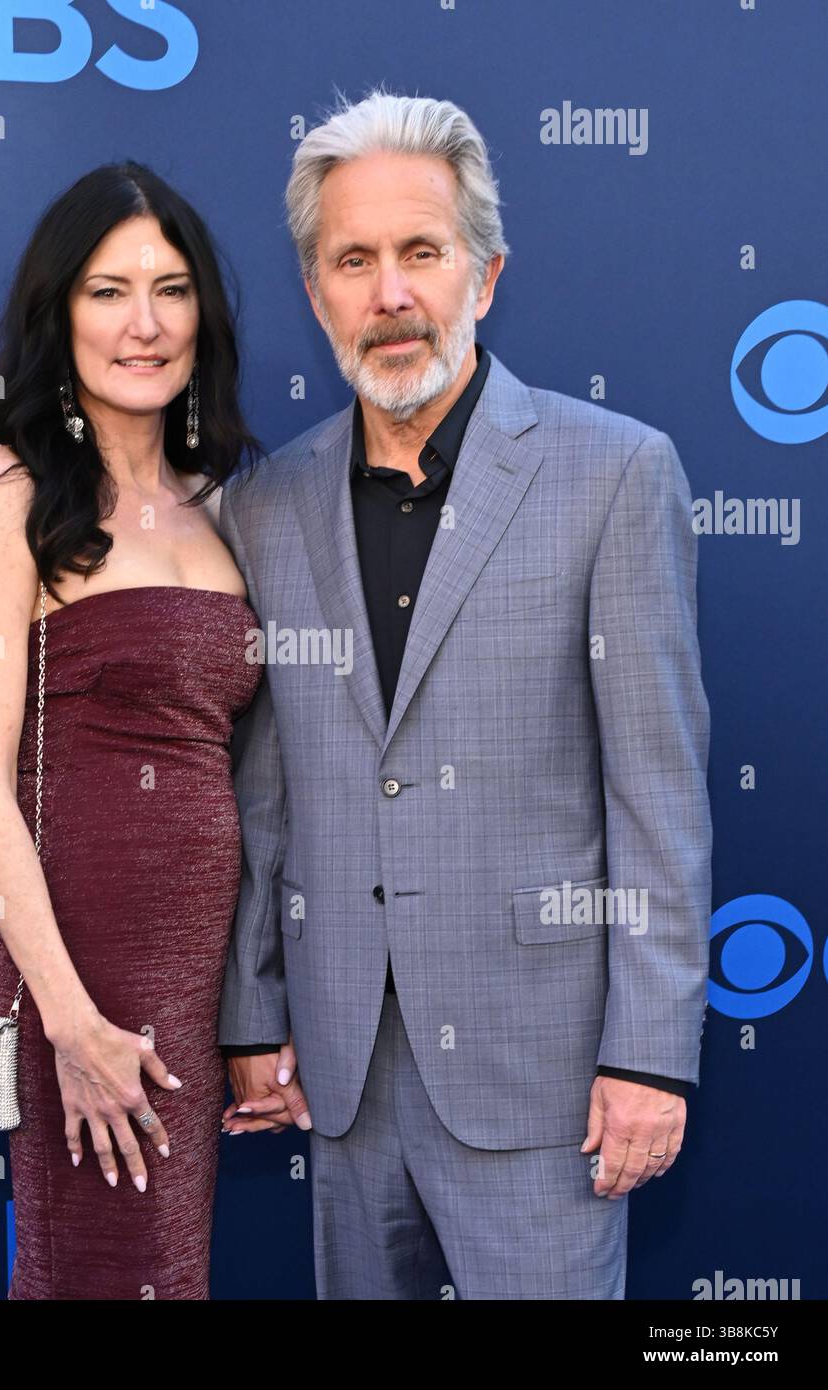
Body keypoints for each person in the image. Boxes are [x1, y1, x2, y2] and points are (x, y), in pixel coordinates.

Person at [216, 87, 712, 1300]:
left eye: (420, 252)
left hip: (544, 1076)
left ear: (484, 275)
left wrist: (650, 1056)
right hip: (338, 1072)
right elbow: (263, 793)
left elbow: (655, 793)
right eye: (353, 260)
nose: (389, 293)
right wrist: (250, 1014)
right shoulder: (264, 504)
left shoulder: (614, 474)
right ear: (315, 292)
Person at [0, 162, 265, 1299]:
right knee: (99, 1269)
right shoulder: (3, 495)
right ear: (57, 312)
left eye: (171, 290)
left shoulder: (219, 503)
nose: (144, 324)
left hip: (195, 974)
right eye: (108, 291)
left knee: (168, 1270)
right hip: (74, 971)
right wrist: (70, 1024)